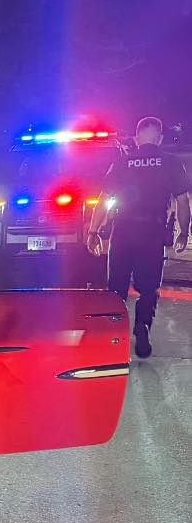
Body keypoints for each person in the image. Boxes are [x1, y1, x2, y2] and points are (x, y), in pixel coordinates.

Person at [87, 116, 191, 357]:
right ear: (161, 139)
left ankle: (114, 334)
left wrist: (93, 232)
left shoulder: (122, 162)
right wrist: (184, 231)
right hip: (152, 233)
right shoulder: (171, 163)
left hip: (123, 231)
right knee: (149, 287)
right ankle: (142, 326)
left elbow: (103, 200)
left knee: (117, 288)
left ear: (136, 139)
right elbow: (182, 201)